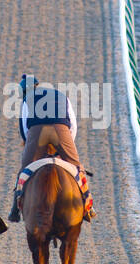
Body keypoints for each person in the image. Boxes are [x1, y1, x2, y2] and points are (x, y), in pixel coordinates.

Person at [9, 73, 95, 222]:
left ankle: (15, 209)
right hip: (61, 129)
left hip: (38, 132)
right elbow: (73, 125)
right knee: (77, 166)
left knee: (24, 170)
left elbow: (24, 131)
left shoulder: (26, 100)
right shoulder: (60, 95)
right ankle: (88, 206)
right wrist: (65, 148)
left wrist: (31, 148)